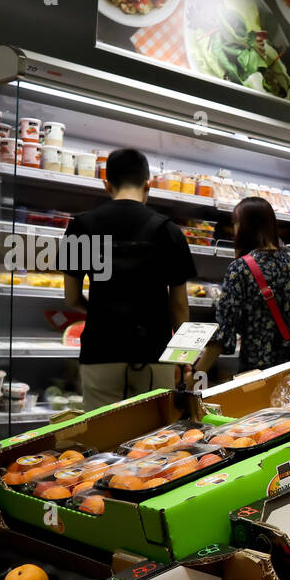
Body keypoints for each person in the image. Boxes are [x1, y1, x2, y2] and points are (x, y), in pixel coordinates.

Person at [63, 148, 197, 410]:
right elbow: (179, 305)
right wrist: (185, 359)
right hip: (154, 355)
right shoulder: (168, 231)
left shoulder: (82, 227)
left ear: (106, 185)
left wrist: (98, 309)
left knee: (103, 437)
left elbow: (71, 298)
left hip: (101, 352)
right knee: (153, 442)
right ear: (148, 185)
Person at [196, 196, 290, 377]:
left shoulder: (240, 268)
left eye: (236, 224)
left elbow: (223, 334)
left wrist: (196, 373)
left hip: (255, 373)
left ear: (245, 228)